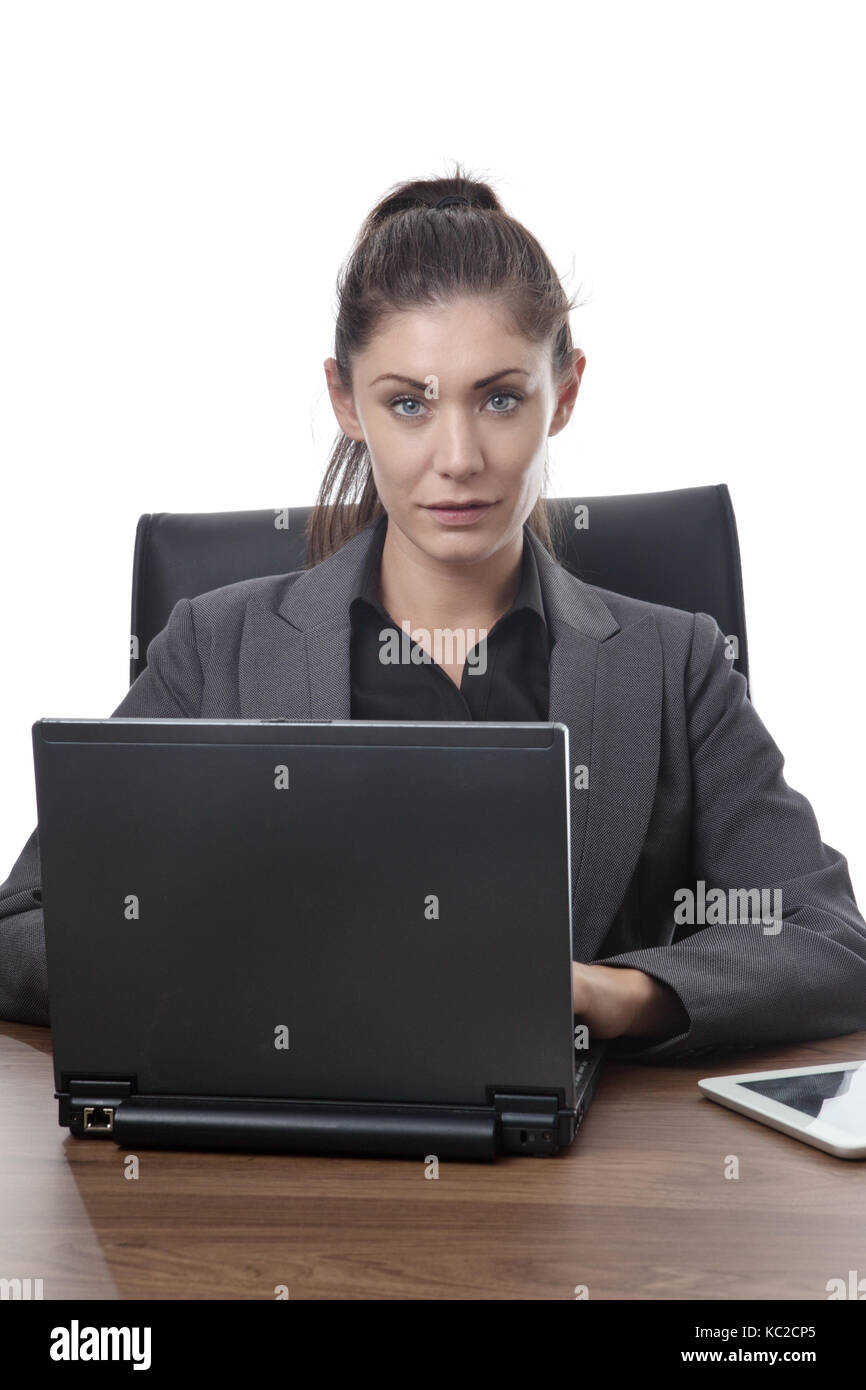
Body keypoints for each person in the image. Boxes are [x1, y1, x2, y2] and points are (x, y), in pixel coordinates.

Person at [2, 166, 866, 1064]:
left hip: (581, 1178)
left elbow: (830, 941)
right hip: (280, 1160)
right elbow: (22, 926)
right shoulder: (213, 649)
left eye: (500, 398)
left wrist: (605, 993)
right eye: (408, 404)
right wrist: (248, 979)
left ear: (563, 393)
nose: (458, 458)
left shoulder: (677, 663)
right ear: (346, 401)